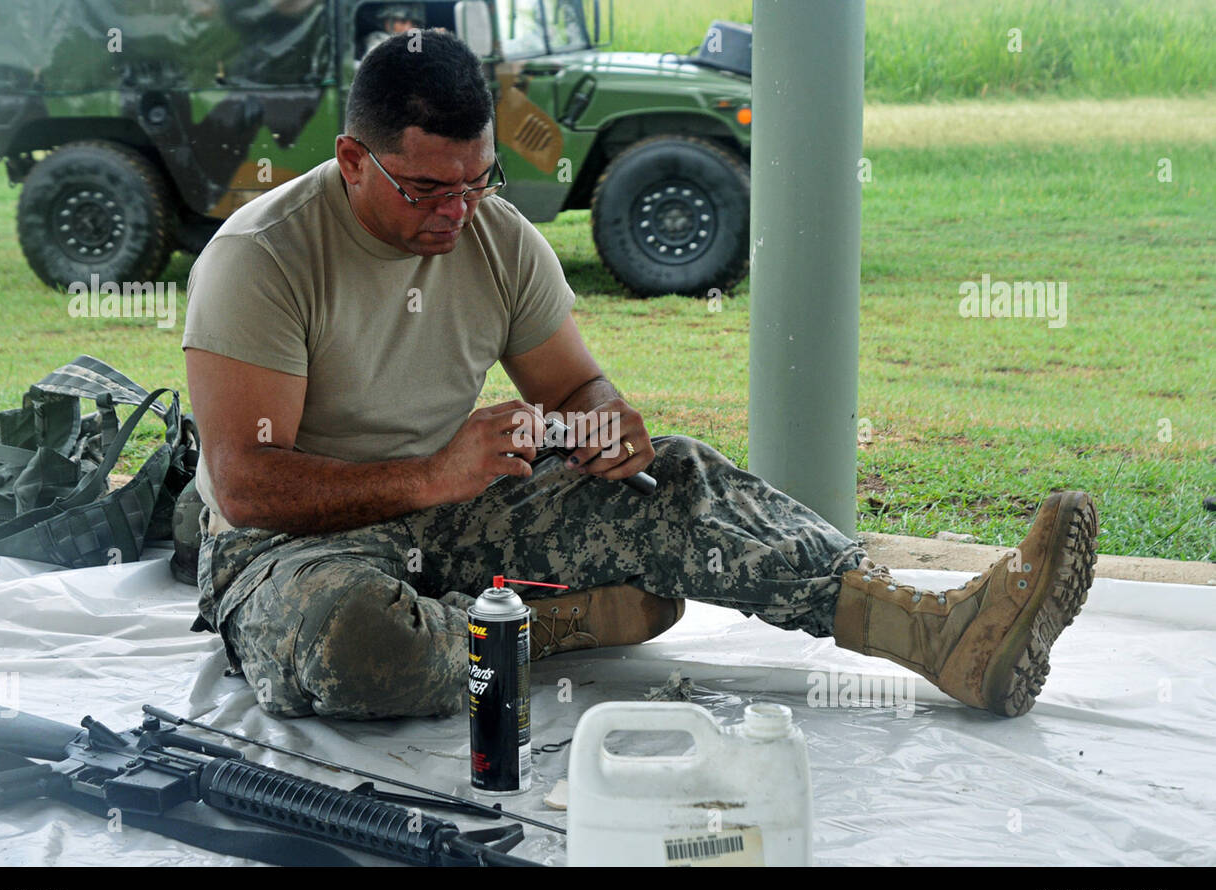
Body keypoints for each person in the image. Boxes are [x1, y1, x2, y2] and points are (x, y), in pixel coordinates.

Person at [181, 30, 1099, 722]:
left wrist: (606, 421)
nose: (454, 213)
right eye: (425, 189)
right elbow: (247, 484)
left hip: (456, 504)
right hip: (291, 546)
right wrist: (428, 473)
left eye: (478, 182)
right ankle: (546, 628)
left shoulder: (498, 239)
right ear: (352, 160)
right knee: (362, 646)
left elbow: (575, 389)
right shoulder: (263, 258)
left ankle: (941, 635)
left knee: (680, 477)